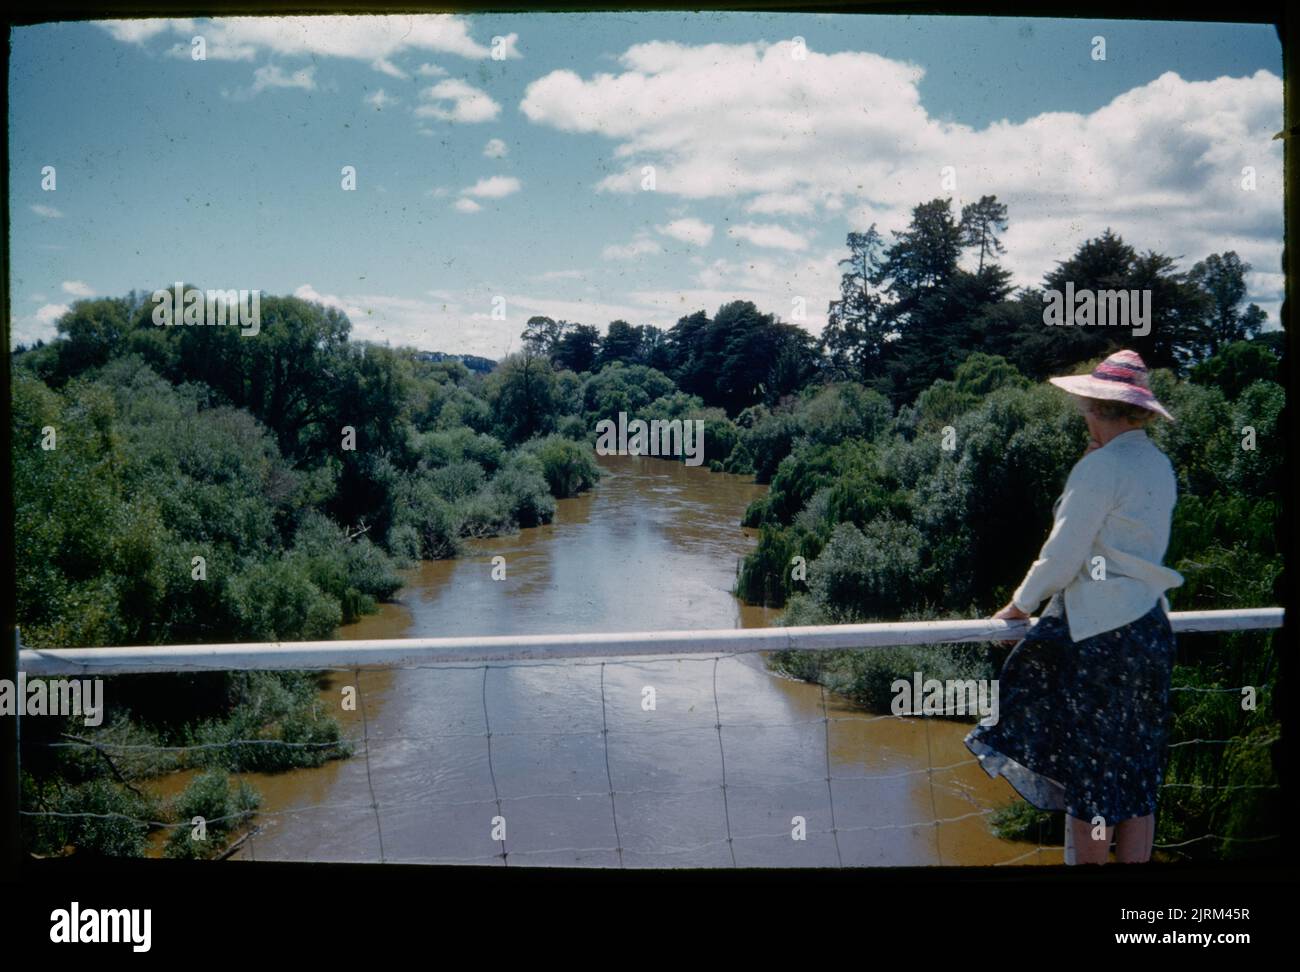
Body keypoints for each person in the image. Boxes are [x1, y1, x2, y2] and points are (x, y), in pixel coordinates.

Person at [964, 349, 1184, 865]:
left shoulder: (1100, 468)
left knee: (1093, 778)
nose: (1082, 413)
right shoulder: (1158, 464)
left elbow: (1062, 557)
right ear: (1141, 413)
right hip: (1150, 631)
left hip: (1101, 638)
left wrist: (1018, 606)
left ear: (1095, 408)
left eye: (1085, 406)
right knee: (1136, 772)